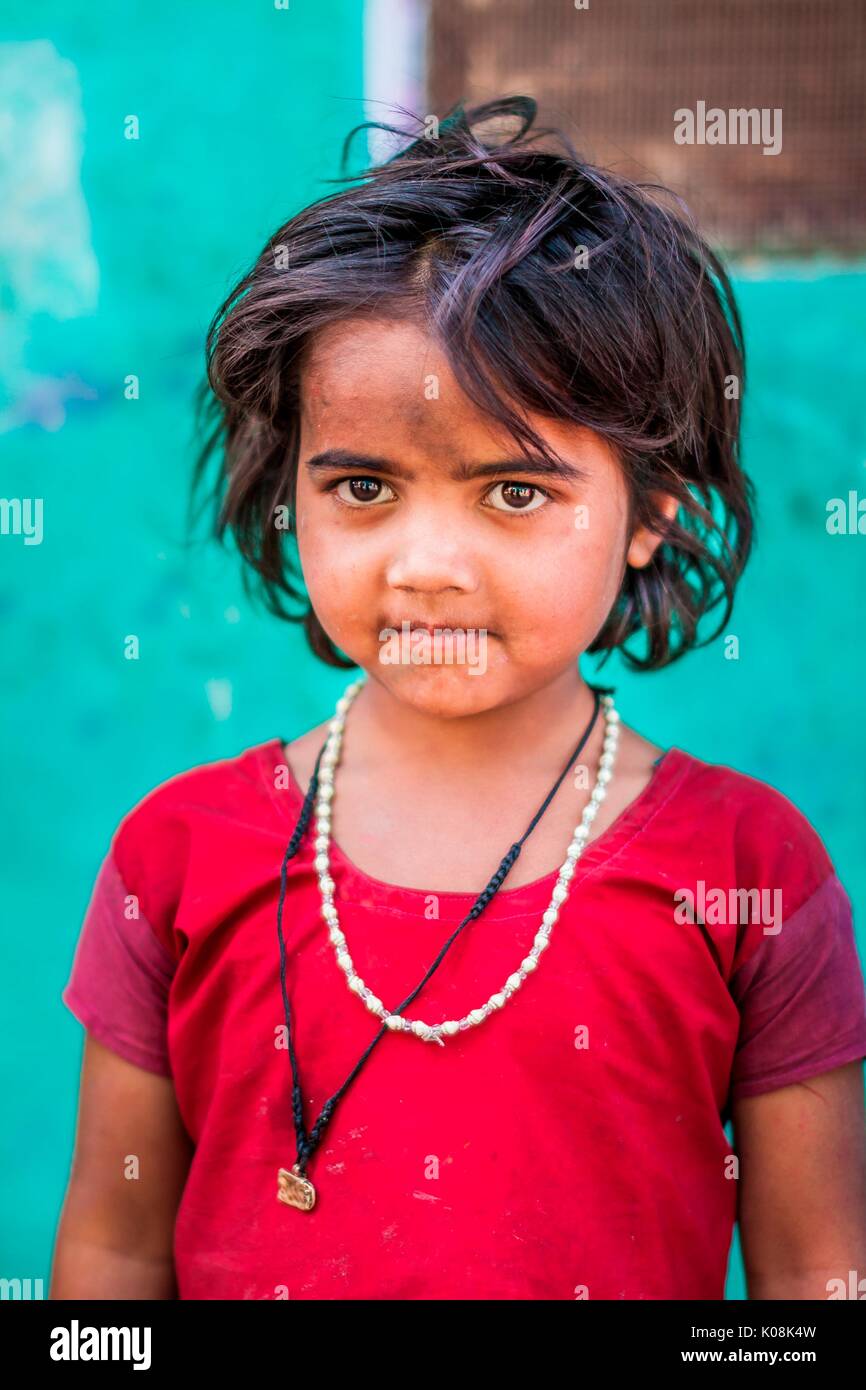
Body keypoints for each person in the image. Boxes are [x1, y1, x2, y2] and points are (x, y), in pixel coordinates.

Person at [51, 96, 866, 1300]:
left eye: (514, 493)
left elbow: (816, 1278)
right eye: (364, 485)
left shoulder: (747, 868)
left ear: (650, 513)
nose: (425, 562)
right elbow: (113, 1254)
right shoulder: (176, 855)